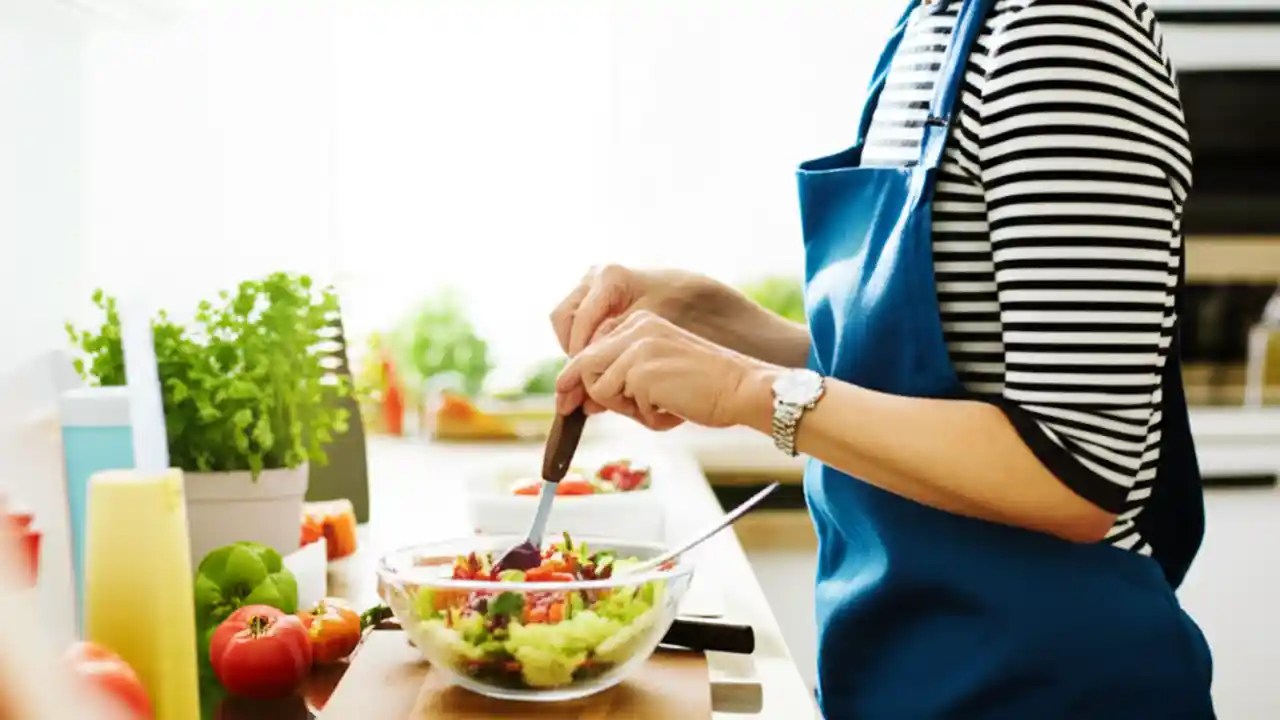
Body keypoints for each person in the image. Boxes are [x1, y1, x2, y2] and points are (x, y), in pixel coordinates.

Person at [551, 0, 1214, 717]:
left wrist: (749, 389)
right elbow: (924, 378)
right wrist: (711, 319)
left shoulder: (1062, 34)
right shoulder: (933, 25)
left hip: (1047, 690)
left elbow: (1079, 470)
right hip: (910, 682)